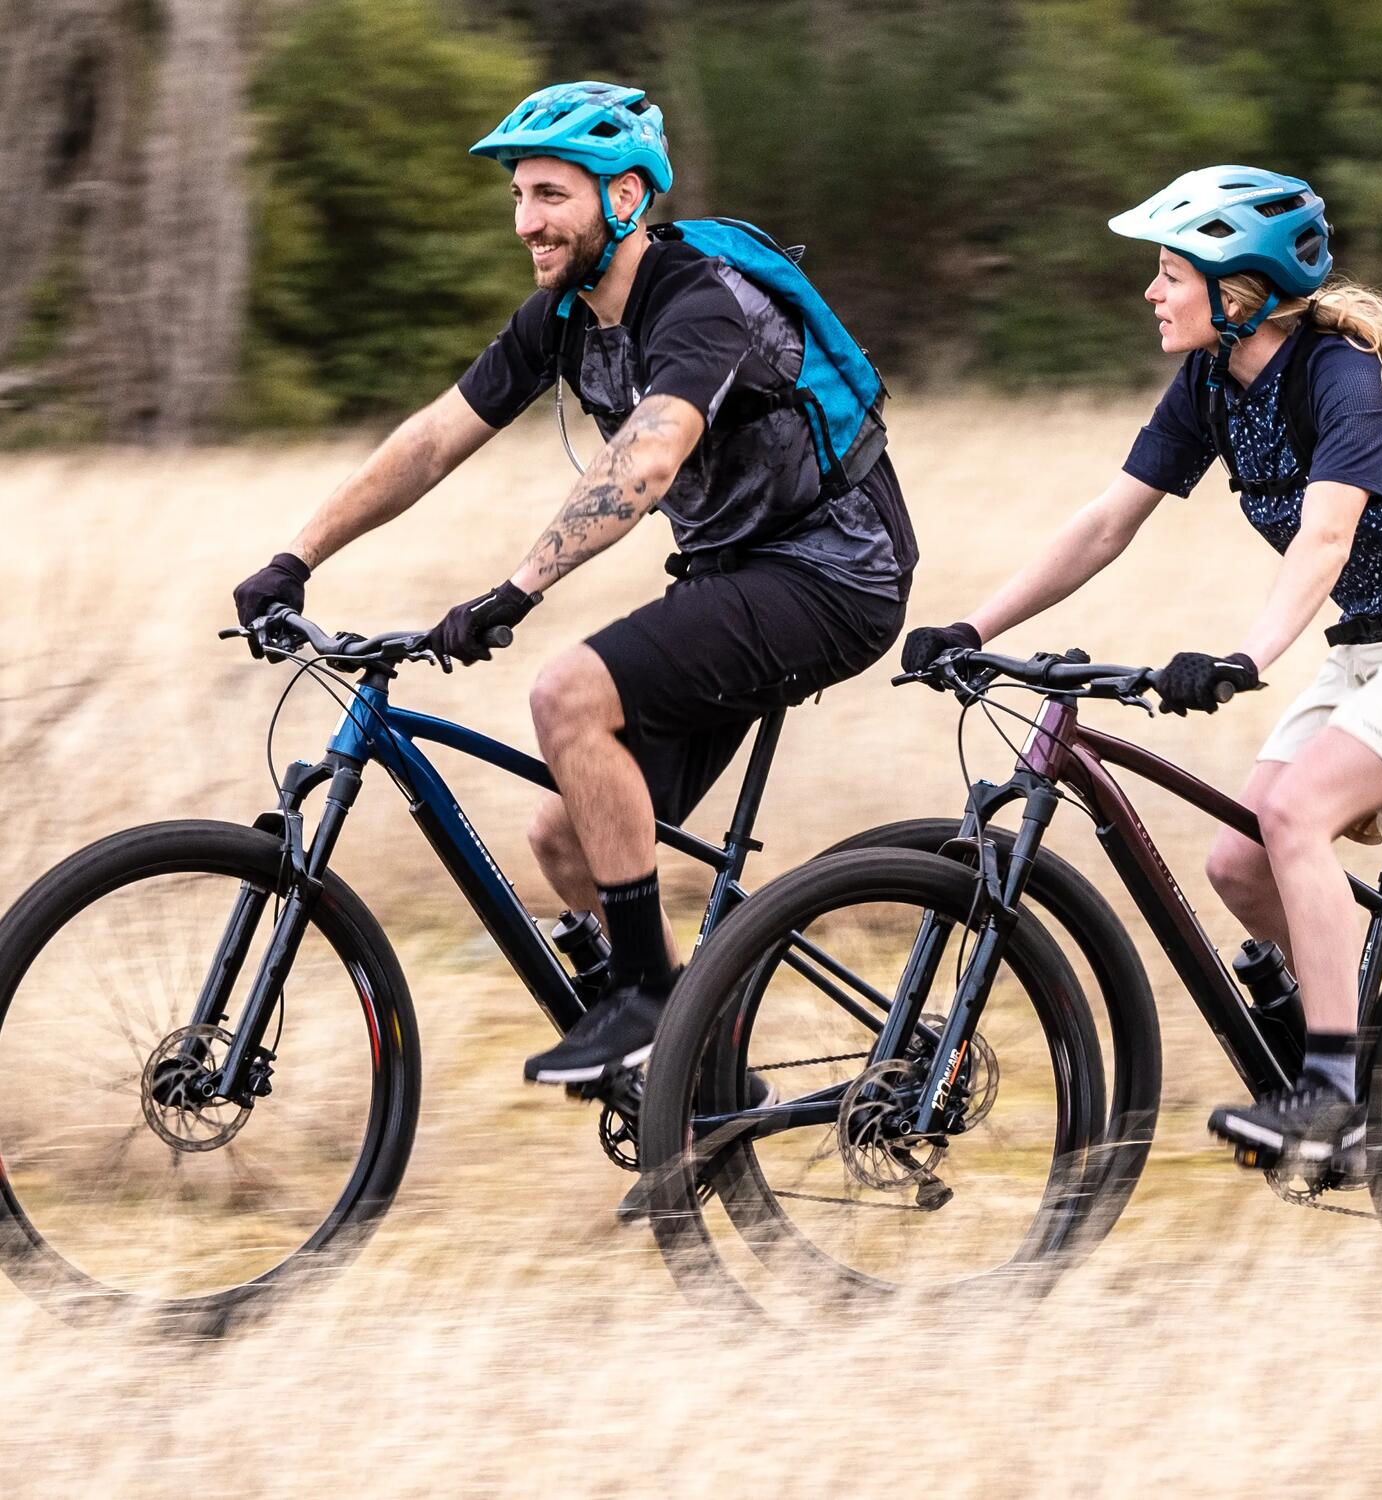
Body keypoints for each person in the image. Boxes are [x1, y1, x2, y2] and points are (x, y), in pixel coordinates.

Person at [232, 81, 915, 1093]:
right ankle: (708, 1086)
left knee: (566, 695)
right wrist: (296, 556)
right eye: (519, 197)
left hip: (834, 569)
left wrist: (517, 588)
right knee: (566, 840)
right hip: (735, 574)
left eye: (551, 195)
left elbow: (649, 456)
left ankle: (648, 1002)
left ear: (625, 196)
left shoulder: (700, 300)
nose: (526, 223)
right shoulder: (561, 319)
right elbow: (432, 441)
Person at [902, 165, 1382, 1168]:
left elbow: (1327, 537)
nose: (1151, 293)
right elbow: (1107, 523)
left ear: (1239, 290)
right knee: (1239, 864)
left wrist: (1245, 656)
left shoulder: (1345, 374)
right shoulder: (1213, 383)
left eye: (1171, 275)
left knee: (1292, 817)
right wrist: (970, 626)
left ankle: (1332, 1092)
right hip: (1376, 647)